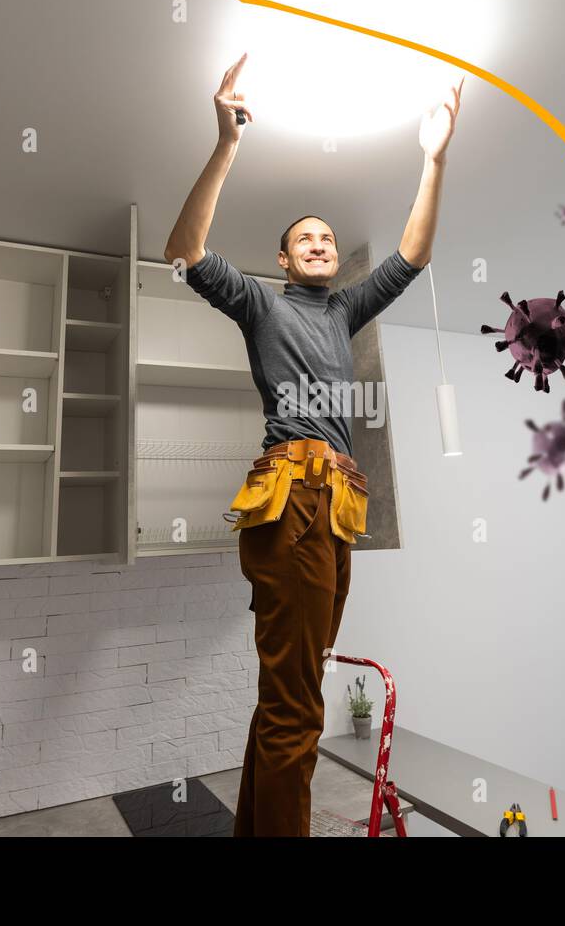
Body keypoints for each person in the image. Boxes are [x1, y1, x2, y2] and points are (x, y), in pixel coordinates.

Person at [164, 52, 462, 836]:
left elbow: (415, 255)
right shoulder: (264, 307)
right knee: (300, 704)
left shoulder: (341, 313)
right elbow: (185, 252)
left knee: (288, 695)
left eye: (328, 236)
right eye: (306, 238)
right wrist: (226, 146)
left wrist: (433, 160)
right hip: (293, 495)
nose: (322, 243)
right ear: (284, 259)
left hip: (336, 507)